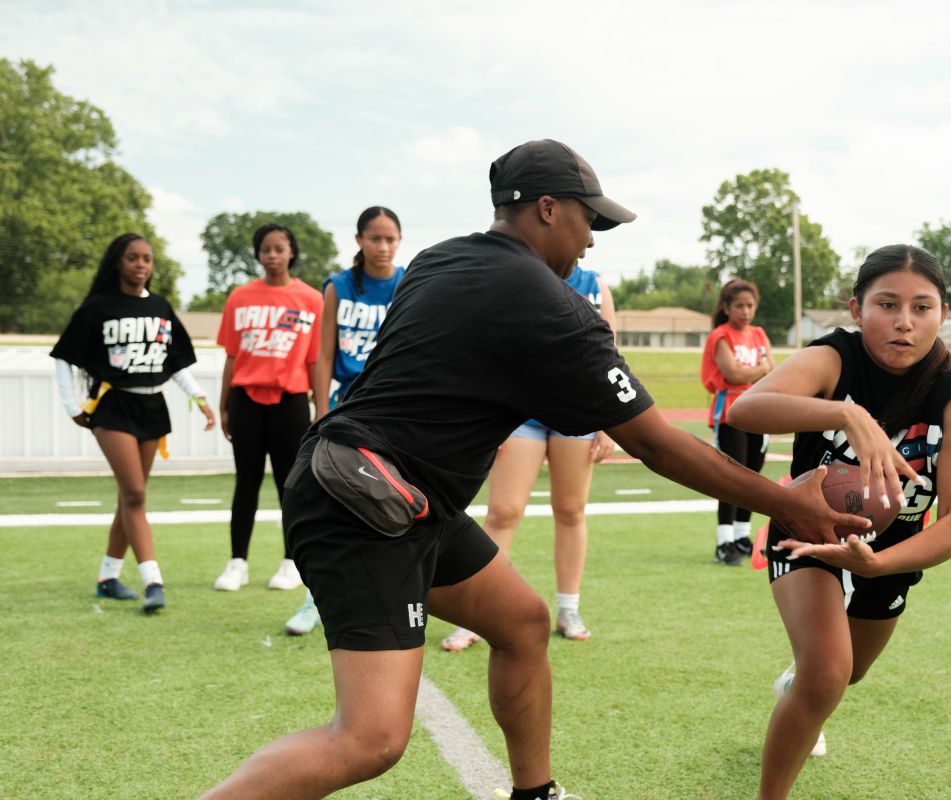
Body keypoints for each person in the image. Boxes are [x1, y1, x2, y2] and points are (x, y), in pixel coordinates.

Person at [199, 139, 868, 800]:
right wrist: (785, 501)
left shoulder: (439, 260)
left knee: (520, 623)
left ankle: (534, 794)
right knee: (371, 740)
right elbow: (659, 445)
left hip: (390, 488)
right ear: (548, 208)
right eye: (589, 219)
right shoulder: (546, 305)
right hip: (368, 504)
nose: (593, 241)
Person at [726, 244, 951, 800]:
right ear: (856, 309)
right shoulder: (834, 358)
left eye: (922, 307)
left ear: (944, 315)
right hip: (806, 534)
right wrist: (846, 412)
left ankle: (797, 688)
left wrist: (877, 562)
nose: (903, 322)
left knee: (845, 676)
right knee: (826, 673)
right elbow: (744, 410)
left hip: (888, 554)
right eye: (886, 304)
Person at [440, 264, 617, 652]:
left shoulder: (595, 285)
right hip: (520, 415)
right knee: (503, 511)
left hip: (578, 413)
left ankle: (568, 609)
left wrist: (607, 423)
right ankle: (476, 615)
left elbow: (610, 357)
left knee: (571, 510)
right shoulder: (517, 275)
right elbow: (488, 351)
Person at [50, 233, 216, 614]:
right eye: (132, 258)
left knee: (130, 496)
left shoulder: (160, 307)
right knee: (136, 494)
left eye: (147, 259)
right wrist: (70, 405)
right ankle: (153, 580)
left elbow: (174, 363)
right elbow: (63, 356)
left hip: (153, 406)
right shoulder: (98, 307)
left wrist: (199, 400)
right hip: (113, 407)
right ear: (117, 263)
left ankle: (108, 577)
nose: (141, 265)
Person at [285, 206, 404, 636]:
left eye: (391, 239)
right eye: (375, 238)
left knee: (394, 501)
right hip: (347, 404)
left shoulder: (407, 280)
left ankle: (393, 593)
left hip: (394, 406)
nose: (383, 247)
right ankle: (313, 599)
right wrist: (322, 409)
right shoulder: (338, 285)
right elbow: (323, 354)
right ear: (359, 241)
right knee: (333, 501)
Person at [213, 224, 322, 593]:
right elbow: (231, 355)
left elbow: (315, 361)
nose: (273, 255)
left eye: (280, 248)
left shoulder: (311, 299)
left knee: (289, 485)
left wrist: (321, 408)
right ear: (257, 254)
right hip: (246, 401)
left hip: (290, 403)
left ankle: (291, 562)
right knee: (245, 481)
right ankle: (236, 563)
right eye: (266, 249)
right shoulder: (240, 297)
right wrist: (224, 403)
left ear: (292, 252)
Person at [700, 278, 774, 566]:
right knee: (732, 475)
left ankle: (743, 536)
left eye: (750, 305)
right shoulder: (721, 335)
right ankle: (724, 541)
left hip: (759, 409)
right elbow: (733, 374)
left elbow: (772, 372)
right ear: (727, 308)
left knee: (753, 475)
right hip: (731, 410)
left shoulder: (758, 333)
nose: (745, 311)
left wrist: (757, 371)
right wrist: (760, 368)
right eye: (739, 306)